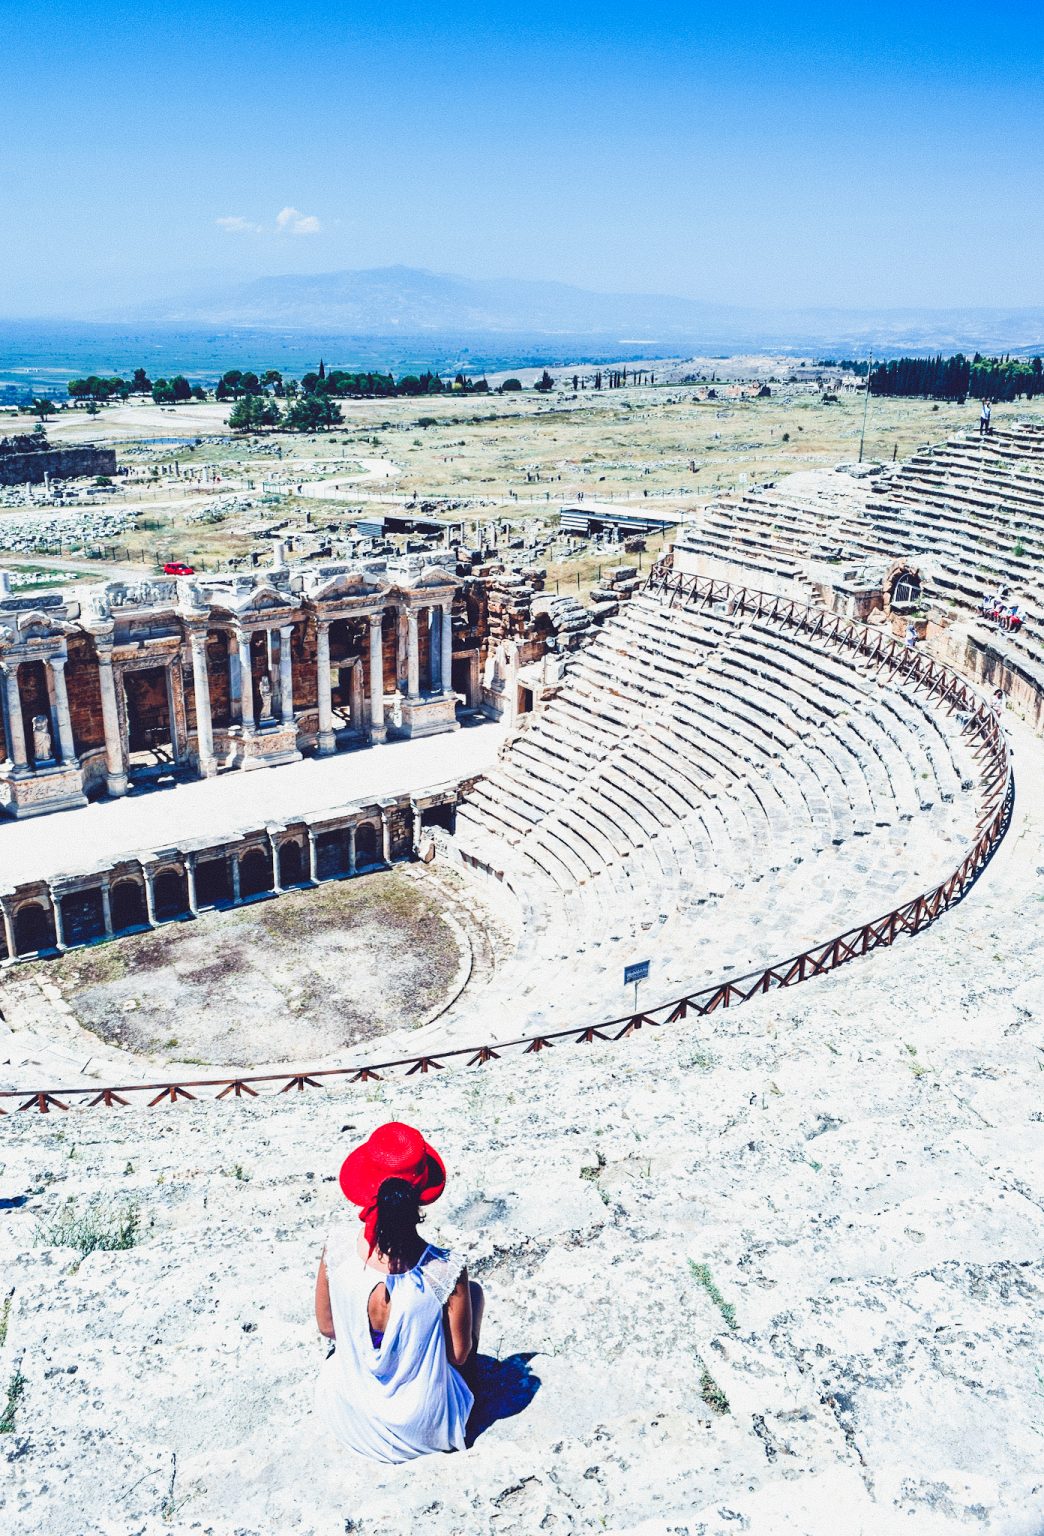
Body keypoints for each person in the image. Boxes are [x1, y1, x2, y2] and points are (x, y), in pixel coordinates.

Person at [314, 1122, 483, 1463]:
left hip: (354, 1414)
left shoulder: (337, 1250)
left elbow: (328, 1328)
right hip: (424, 1426)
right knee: (474, 1294)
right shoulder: (445, 1269)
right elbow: (458, 1356)